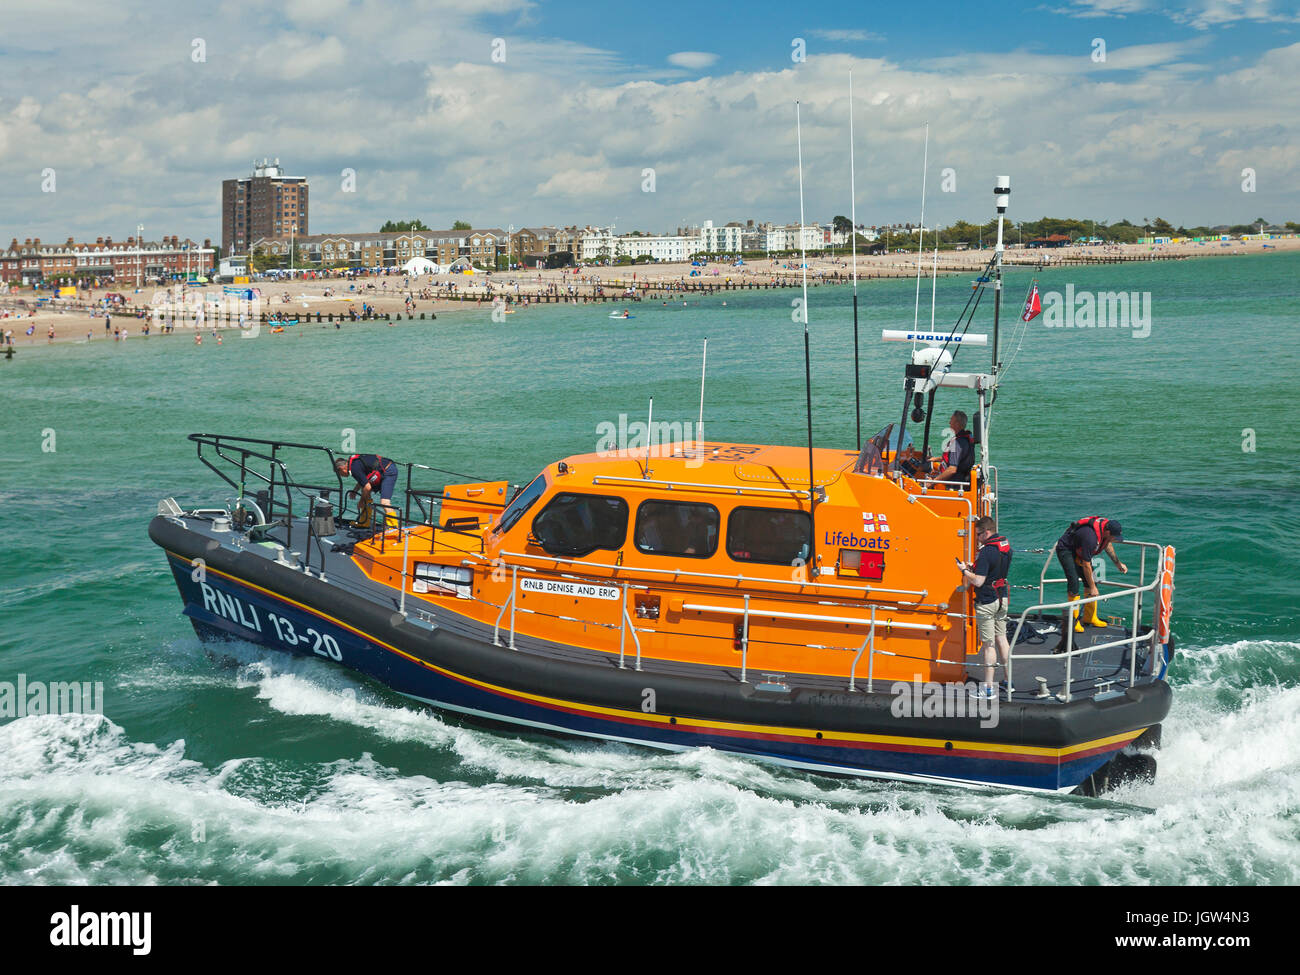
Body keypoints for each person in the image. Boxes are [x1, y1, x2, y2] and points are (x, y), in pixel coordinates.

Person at [958, 516, 1012, 695]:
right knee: (1002, 639)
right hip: (1002, 598)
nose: (978, 538)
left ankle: (988, 689)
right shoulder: (1005, 545)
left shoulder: (987, 552)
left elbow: (979, 582)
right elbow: (994, 571)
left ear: (986, 532)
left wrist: (965, 571)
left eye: (979, 535)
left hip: (987, 601)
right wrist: (975, 567)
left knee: (989, 645)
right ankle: (1008, 680)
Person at [1056, 515, 1127, 632]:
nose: (1115, 539)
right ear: (1108, 532)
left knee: (1092, 581)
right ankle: (1073, 622)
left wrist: (1118, 563)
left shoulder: (1105, 533)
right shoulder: (1090, 537)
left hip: (1080, 549)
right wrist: (1093, 588)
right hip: (1066, 550)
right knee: (1074, 582)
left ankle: (1090, 618)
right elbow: (1086, 564)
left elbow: (1107, 544)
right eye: (1114, 537)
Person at [334, 453, 399, 523]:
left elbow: (368, 487)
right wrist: (355, 490)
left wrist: (361, 501)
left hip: (388, 471)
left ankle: (394, 526)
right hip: (384, 469)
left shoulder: (354, 468)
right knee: (365, 492)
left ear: (342, 468)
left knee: (384, 502)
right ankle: (365, 522)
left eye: (339, 473)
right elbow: (363, 480)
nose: (341, 476)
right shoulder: (353, 464)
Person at [929, 411, 974, 484]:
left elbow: (952, 469)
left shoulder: (957, 443)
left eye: (951, 420)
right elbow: (955, 458)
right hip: (962, 477)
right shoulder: (964, 440)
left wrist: (932, 482)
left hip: (953, 484)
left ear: (957, 424)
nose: (949, 423)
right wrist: (935, 459)